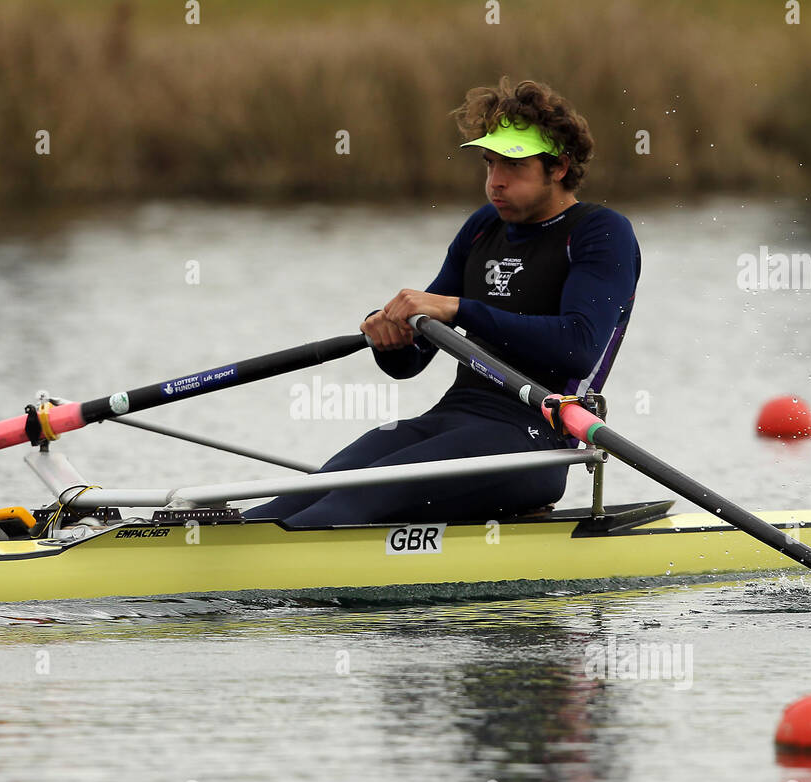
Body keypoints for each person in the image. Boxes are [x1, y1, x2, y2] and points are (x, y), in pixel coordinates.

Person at [246, 77, 641, 527]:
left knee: (349, 506)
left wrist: (456, 309)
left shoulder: (600, 233)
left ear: (559, 167)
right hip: (453, 419)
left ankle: (262, 578)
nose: (495, 183)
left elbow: (579, 345)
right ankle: (213, 551)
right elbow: (413, 361)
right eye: (490, 165)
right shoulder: (481, 229)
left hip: (534, 442)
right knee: (295, 499)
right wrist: (390, 337)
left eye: (512, 167)